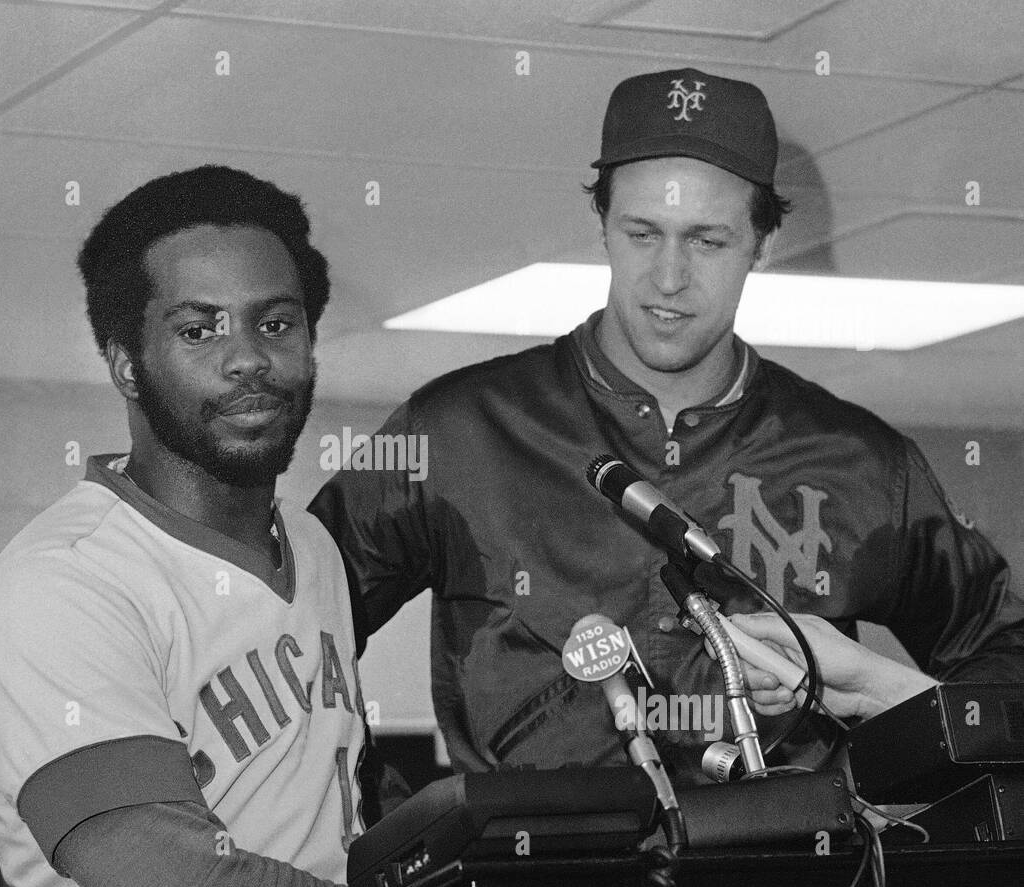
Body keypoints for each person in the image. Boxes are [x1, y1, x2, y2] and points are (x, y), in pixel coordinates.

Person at [308, 68, 1024, 783]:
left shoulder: (863, 463)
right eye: (643, 233)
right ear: (603, 228)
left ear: (764, 245)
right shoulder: (458, 431)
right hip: (533, 878)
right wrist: (384, 826)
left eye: (708, 241)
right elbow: (291, 626)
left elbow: (1005, 659)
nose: (670, 277)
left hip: (795, 877)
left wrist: (880, 699)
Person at [0, 165, 365, 887]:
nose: (247, 358)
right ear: (125, 366)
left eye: (275, 323)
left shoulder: (312, 548)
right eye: (197, 329)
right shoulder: (61, 589)